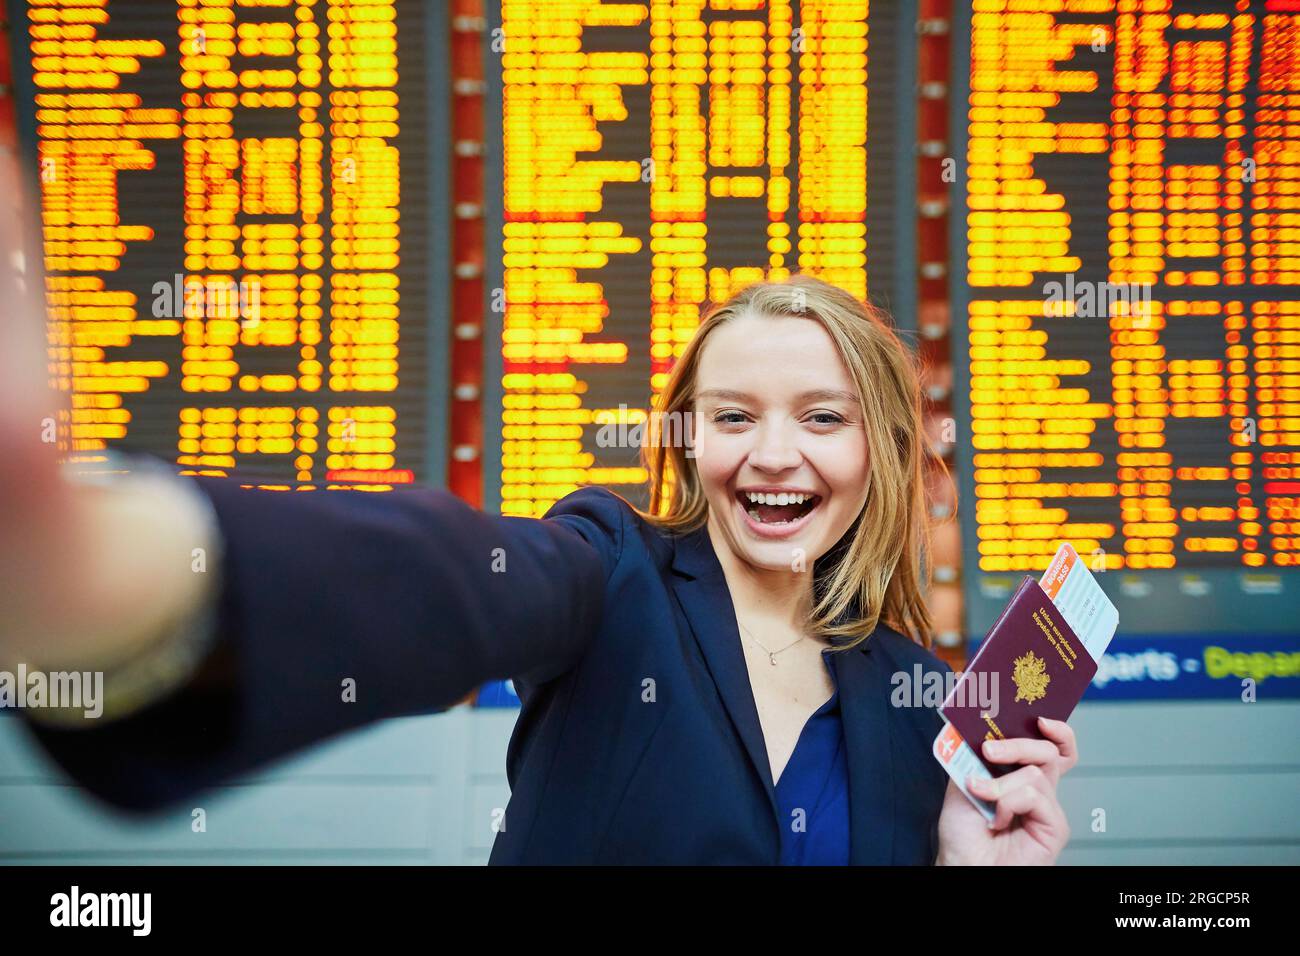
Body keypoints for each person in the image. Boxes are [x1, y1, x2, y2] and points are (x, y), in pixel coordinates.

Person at [0, 166, 1075, 864]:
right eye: (733, 414)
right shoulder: (613, 573)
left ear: (878, 450)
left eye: (822, 416)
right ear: (688, 440)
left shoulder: (920, 700)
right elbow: (463, 577)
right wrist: (116, 564)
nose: (774, 452)